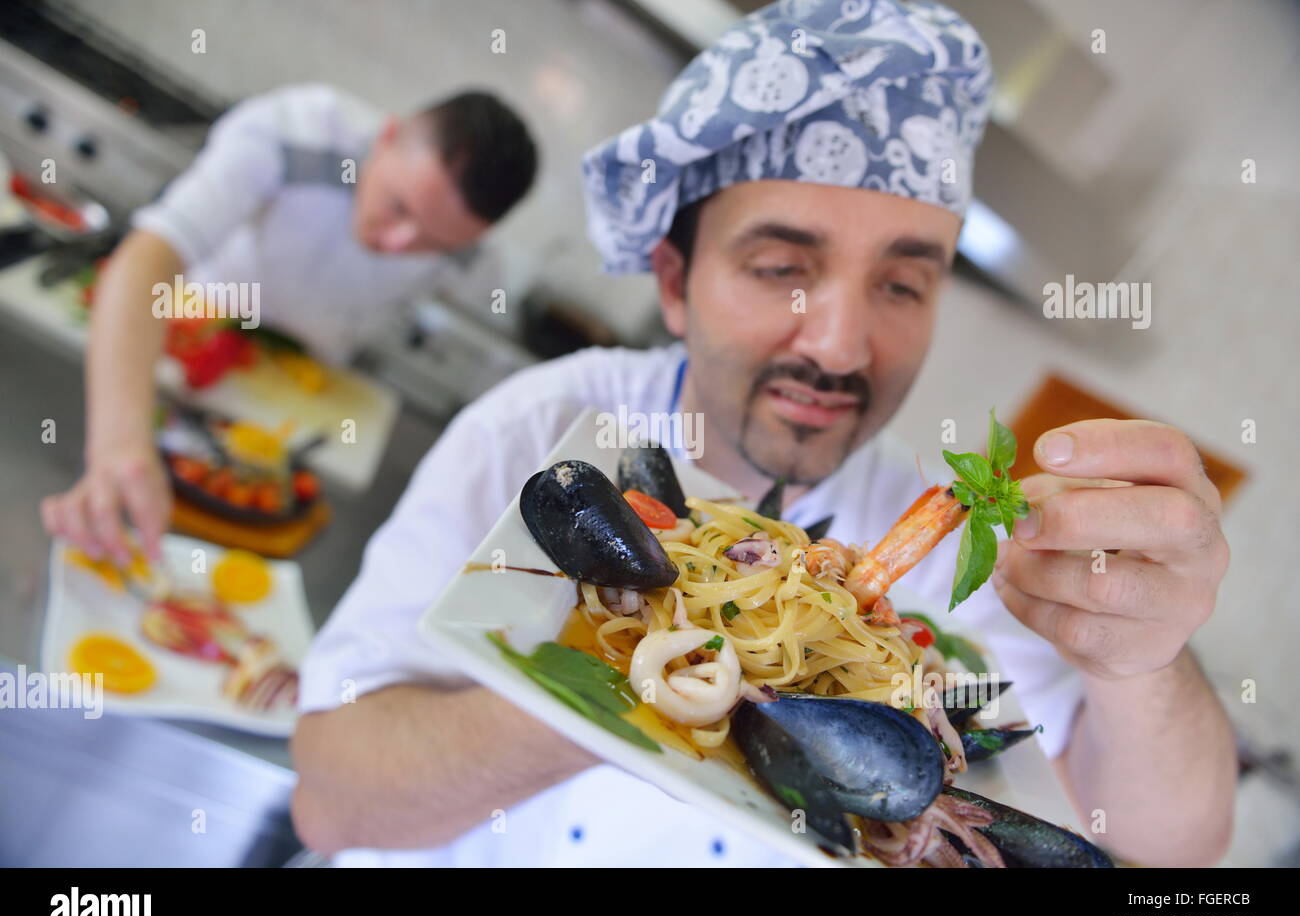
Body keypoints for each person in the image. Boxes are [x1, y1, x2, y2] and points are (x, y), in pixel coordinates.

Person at [291, 0, 1235, 867]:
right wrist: (649, 669)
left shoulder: (957, 546)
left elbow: (1164, 858)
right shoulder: (540, 427)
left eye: (902, 283)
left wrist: (1143, 660)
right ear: (672, 281)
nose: (839, 344)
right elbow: (332, 804)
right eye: (782, 265)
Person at [41, 84, 538, 566]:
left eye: (433, 243)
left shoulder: (476, 259)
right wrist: (118, 443)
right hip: (160, 365)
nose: (398, 243)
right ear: (387, 136)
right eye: (399, 207)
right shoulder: (294, 129)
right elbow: (150, 259)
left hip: (294, 413)